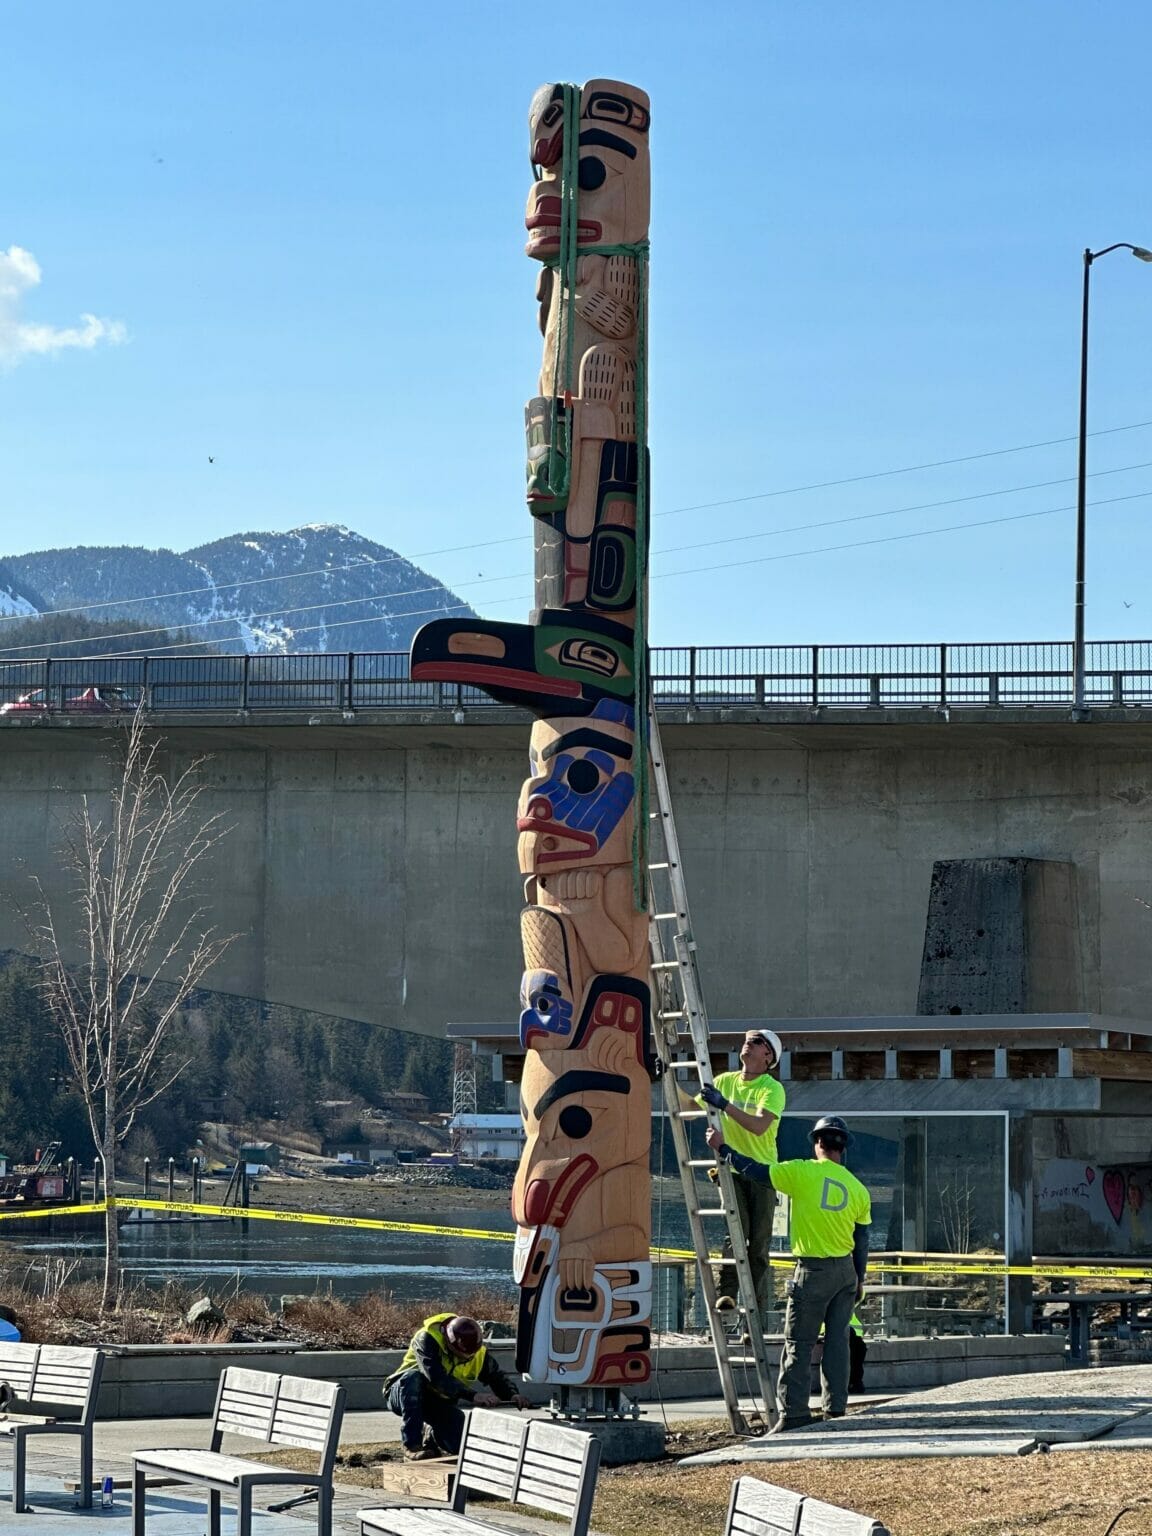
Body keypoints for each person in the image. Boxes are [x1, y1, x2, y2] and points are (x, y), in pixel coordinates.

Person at [706, 1113, 870, 1432]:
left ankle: (794, 1414)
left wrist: (723, 1148)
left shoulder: (801, 1172)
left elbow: (756, 1171)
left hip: (812, 1271)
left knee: (799, 1342)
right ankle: (835, 1408)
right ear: (843, 1148)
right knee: (838, 1343)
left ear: (817, 1142)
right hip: (846, 1272)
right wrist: (860, 1278)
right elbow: (861, 1238)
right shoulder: (858, 1188)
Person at [687, 1029, 785, 1324]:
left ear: (768, 1056)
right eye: (747, 1040)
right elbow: (688, 1109)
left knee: (759, 1244)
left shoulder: (772, 1088)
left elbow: (758, 1126)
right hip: (730, 1168)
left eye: (755, 1041)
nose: (747, 1043)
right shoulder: (723, 1082)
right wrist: (664, 1076)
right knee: (735, 1232)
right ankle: (727, 1297)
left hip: (762, 1172)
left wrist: (724, 1105)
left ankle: (757, 1310)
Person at [383, 1312, 530, 1459]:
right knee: (413, 1377)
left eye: (469, 1356)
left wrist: (512, 1394)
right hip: (402, 1393)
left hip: (437, 1401)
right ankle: (412, 1445)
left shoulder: (478, 1353)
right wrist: (473, 1395)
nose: (465, 1359)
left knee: (459, 1443)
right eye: (459, 1355)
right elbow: (435, 1376)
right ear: (449, 1343)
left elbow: (496, 1376)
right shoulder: (427, 1338)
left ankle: (431, 1435)